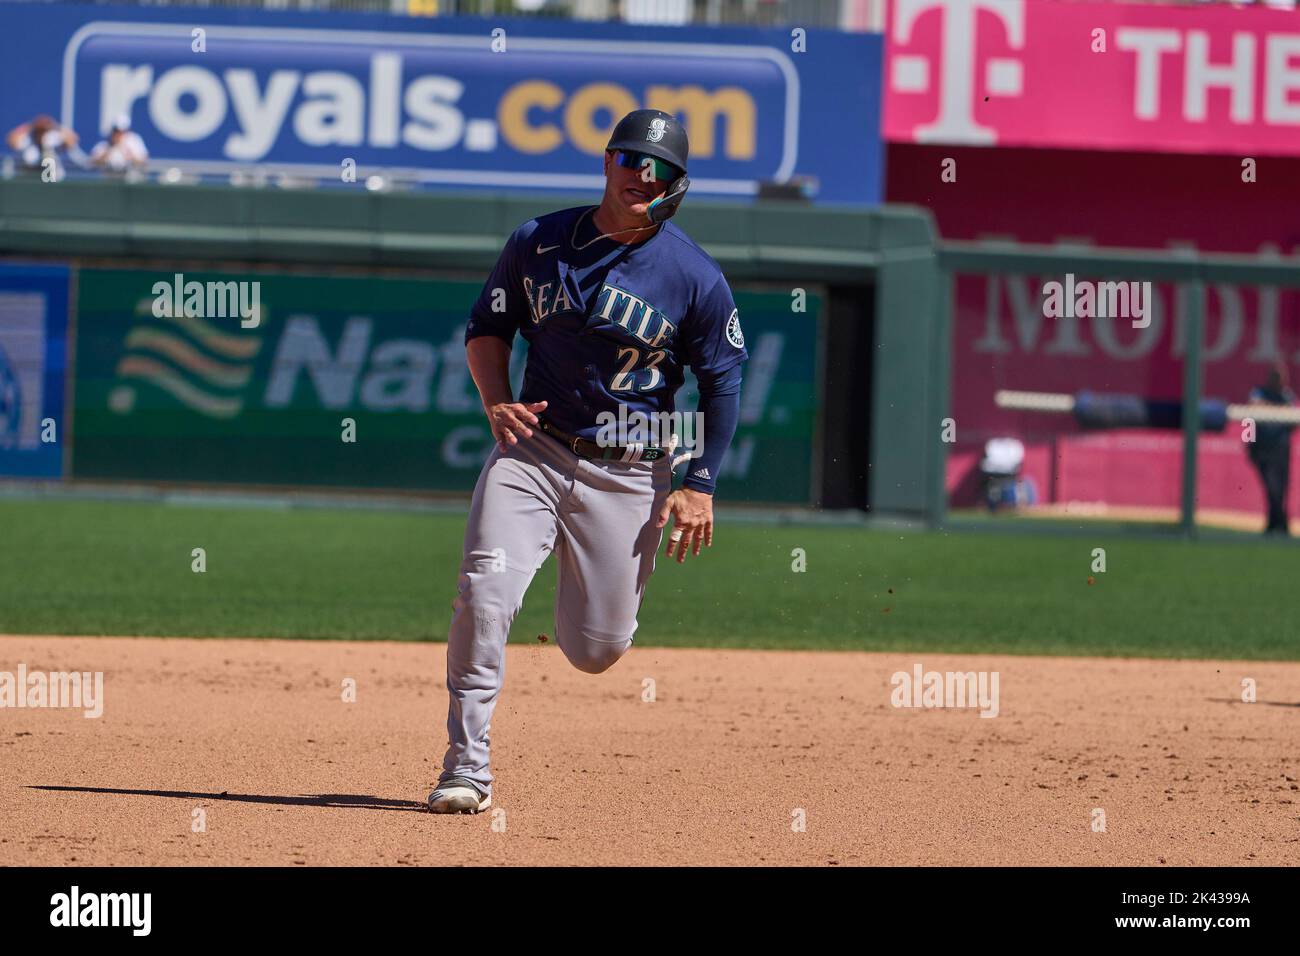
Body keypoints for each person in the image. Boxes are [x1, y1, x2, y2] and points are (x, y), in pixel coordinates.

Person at [428, 109, 748, 813]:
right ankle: (466, 768)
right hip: (533, 450)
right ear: (606, 162)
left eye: (661, 167)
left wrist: (701, 483)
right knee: (485, 590)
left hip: (631, 471)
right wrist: (495, 400)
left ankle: (580, 594)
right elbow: (488, 329)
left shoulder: (693, 276)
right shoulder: (539, 241)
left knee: (597, 650)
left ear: (678, 185)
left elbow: (723, 380)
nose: (643, 174)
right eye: (632, 158)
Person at [1246, 363, 1296, 536]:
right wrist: (1248, 443)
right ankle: (1279, 522)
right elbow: (1249, 416)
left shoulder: (1287, 396)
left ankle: (1276, 523)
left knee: (1281, 489)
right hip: (1262, 450)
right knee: (1271, 487)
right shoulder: (1258, 393)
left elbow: (1293, 424)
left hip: (1281, 450)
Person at [6, 115, 78, 177]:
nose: (40, 134)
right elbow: (11, 140)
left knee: (49, 155)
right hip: (29, 176)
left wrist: (55, 126)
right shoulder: (28, 139)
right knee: (30, 154)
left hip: (50, 179)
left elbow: (72, 140)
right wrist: (30, 126)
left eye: (43, 131)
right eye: (38, 131)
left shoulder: (51, 138)